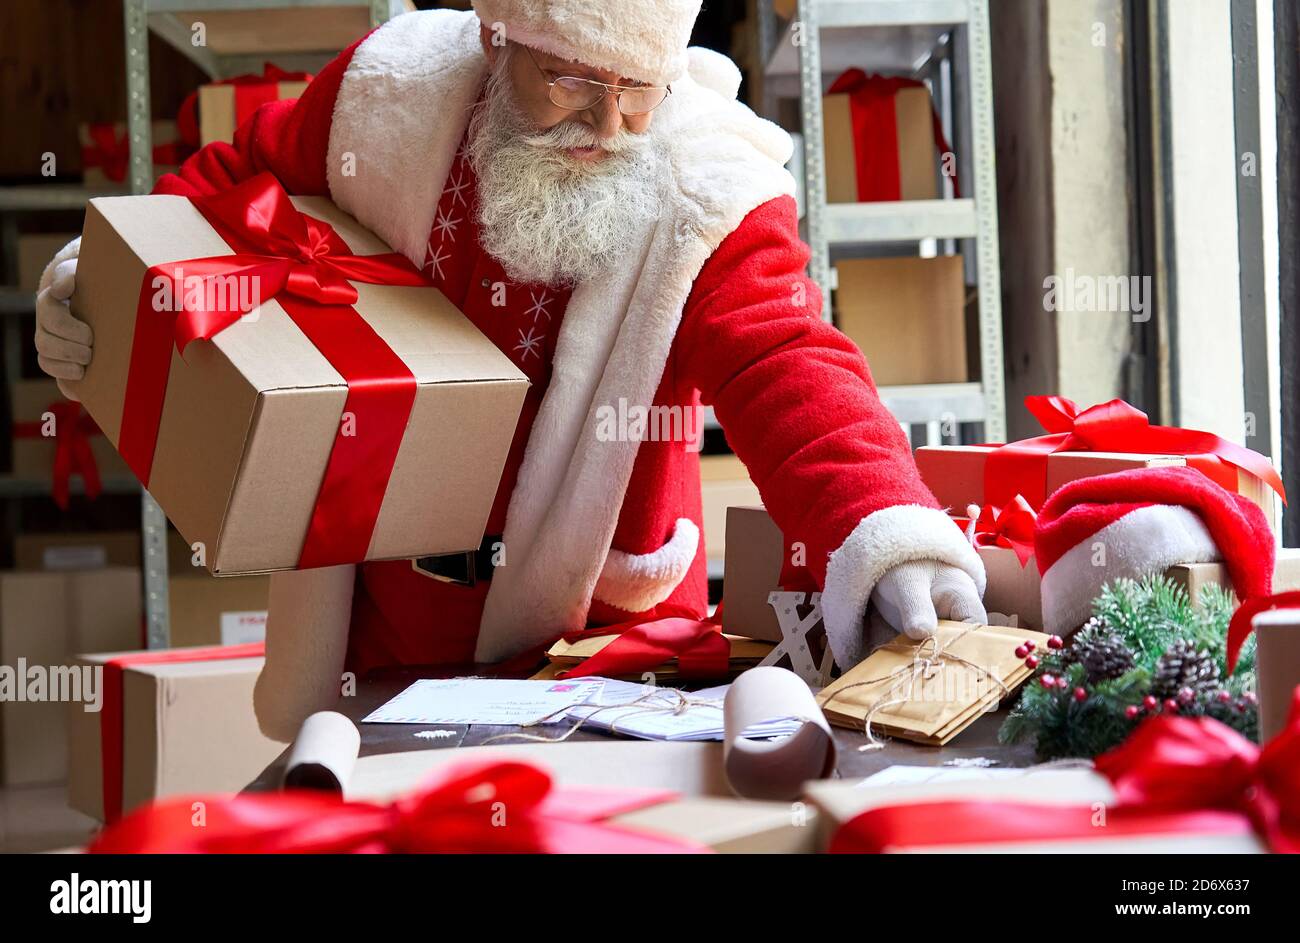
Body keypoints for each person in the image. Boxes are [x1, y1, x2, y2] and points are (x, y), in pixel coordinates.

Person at [34, 2, 986, 740]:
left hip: (595, 654)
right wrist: (103, 286)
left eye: (637, 88)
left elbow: (787, 355)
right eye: (569, 77)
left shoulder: (707, 183)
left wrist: (882, 526)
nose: (607, 124)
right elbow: (227, 182)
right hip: (380, 638)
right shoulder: (388, 92)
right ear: (498, 38)